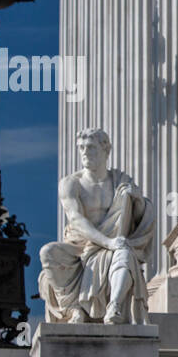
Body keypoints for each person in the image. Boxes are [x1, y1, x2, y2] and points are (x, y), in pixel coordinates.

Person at [37, 128, 153, 324]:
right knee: (48, 252)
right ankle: (74, 309)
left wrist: (138, 199)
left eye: (90, 147)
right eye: (81, 147)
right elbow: (76, 220)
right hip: (81, 246)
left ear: (105, 150)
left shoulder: (121, 182)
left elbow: (140, 219)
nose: (84, 152)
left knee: (124, 254)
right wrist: (108, 242)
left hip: (113, 246)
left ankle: (114, 307)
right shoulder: (71, 183)